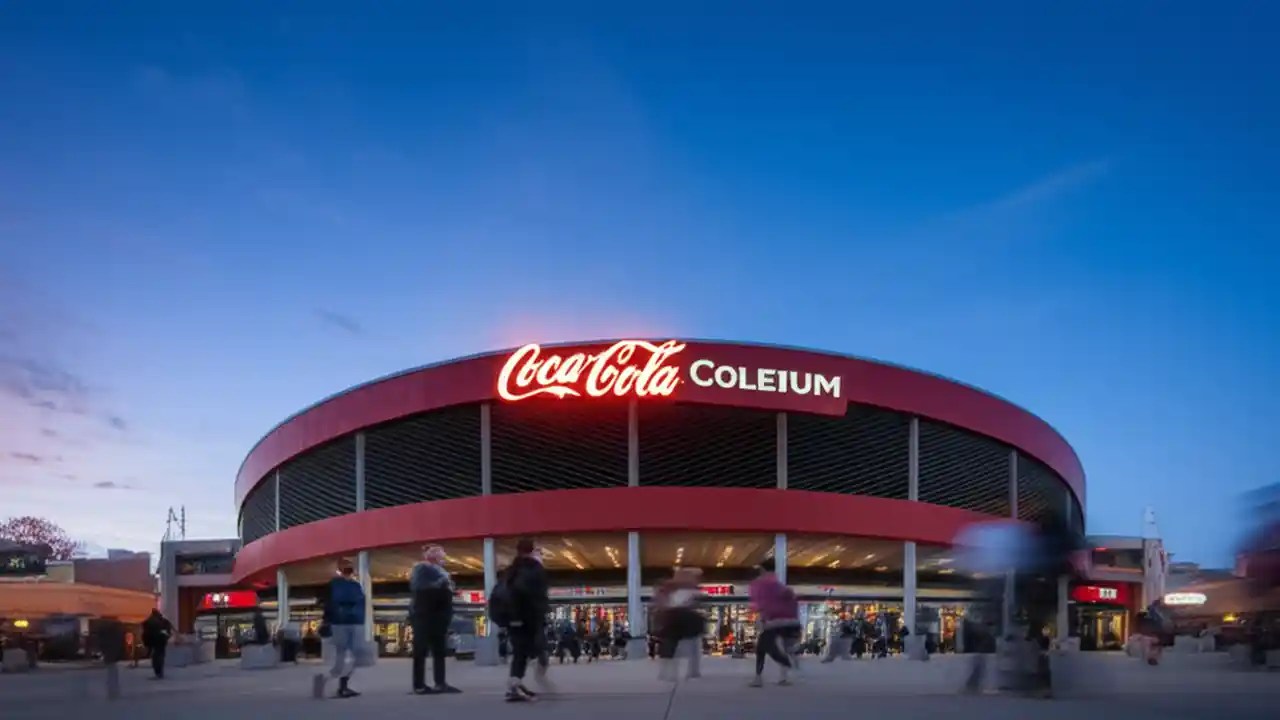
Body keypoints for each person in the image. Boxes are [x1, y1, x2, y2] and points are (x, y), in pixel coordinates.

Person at [502, 539, 552, 702]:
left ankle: (515, 683)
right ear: (532, 551)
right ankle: (534, 681)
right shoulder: (534, 569)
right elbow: (538, 595)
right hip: (530, 618)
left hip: (513, 617)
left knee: (519, 652)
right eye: (539, 551)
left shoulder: (512, 569)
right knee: (537, 650)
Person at [313, 559, 370, 700]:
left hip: (351, 623)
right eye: (347, 568)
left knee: (351, 657)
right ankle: (333, 683)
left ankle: (340, 685)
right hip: (342, 624)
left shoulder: (353, 585)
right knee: (343, 657)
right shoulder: (338, 585)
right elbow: (332, 603)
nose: (349, 570)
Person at [410, 545, 461, 694]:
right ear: (434, 557)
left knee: (439, 649)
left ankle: (440, 682)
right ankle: (419, 685)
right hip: (425, 616)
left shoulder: (440, 572)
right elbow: (421, 588)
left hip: (438, 616)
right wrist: (442, 583)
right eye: (441, 556)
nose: (444, 559)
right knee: (421, 649)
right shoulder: (422, 569)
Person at [747, 558, 799, 687]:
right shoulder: (781, 586)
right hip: (792, 622)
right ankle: (784, 677)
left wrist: (761, 617)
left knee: (761, 648)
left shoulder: (760, 584)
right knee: (785, 648)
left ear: (762, 569)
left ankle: (758, 678)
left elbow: (761, 605)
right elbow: (792, 601)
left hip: (774, 622)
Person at [654, 567, 705, 682]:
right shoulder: (688, 589)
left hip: (673, 618)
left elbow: (662, 603)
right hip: (680, 618)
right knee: (690, 645)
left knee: (671, 647)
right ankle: (689, 671)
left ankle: (670, 672)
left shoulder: (671, 589)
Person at [140, 609, 174, 679]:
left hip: (155, 641)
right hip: (161, 641)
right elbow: (167, 630)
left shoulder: (151, 621)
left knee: (156, 657)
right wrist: (166, 636)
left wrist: (147, 642)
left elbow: (146, 630)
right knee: (159, 656)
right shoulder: (163, 621)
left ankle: (158, 672)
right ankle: (159, 672)